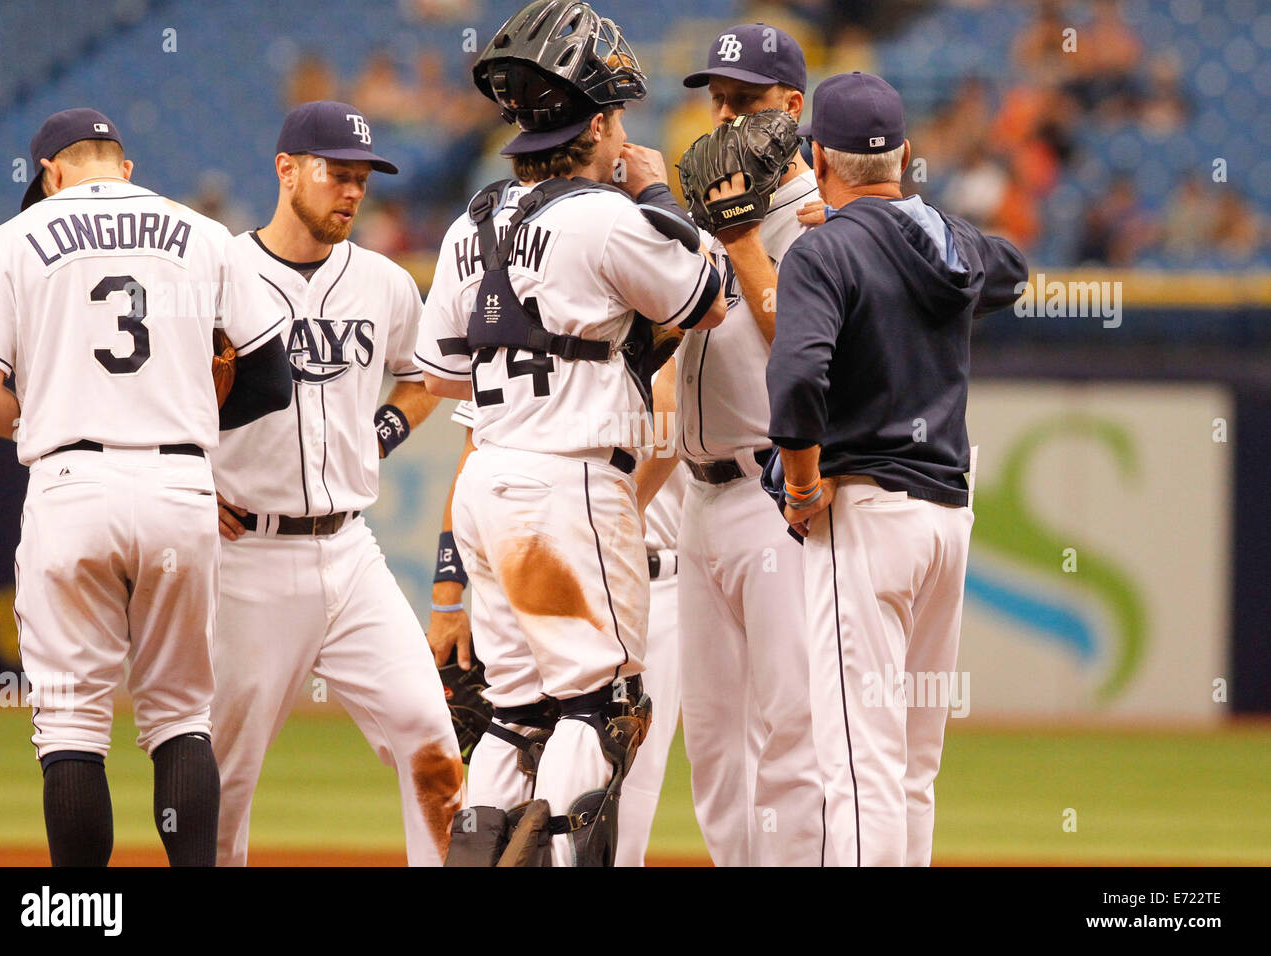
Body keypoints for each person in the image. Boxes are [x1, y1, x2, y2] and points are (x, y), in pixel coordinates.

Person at [415, 0, 725, 867]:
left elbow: (444, 371)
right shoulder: (602, 214)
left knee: (515, 716)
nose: (622, 129)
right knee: (604, 709)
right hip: (572, 478)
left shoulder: (470, 223)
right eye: (616, 113)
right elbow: (711, 296)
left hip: (490, 476)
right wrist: (658, 191)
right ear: (593, 123)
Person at [0, 108, 291, 866]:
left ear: (49, 174)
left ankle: (87, 916)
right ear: (125, 164)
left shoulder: (14, 239)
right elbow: (272, 378)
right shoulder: (204, 235)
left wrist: (48, 427)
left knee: (73, 723)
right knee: (180, 716)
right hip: (179, 485)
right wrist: (187, 425)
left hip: (70, 481)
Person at [766, 72, 1028, 866]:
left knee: (858, 764)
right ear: (905, 155)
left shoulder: (822, 250)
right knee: (913, 766)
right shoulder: (944, 241)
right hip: (947, 521)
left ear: (816, 156)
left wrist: (803, 484)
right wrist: (908, 223)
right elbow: (1012, 268)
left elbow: (797, 378)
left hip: (868, 518)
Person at [208, 100, 463, 867]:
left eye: (361, 179)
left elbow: (427, 379)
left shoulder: (384, 282)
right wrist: (189, 478)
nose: (351, 192)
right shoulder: (219, 272)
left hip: (351, 554)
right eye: (335, 175)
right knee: (220, 782)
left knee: (432, 740)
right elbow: (159, 393)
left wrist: (382, 431)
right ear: (286, 170)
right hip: (244, 559)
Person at [430, 361, 686, 867]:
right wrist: (446, 597)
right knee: (605, 731)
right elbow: (470, 450)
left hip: (550, 555)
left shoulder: (500, 306)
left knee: (512, 720)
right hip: (605, 571)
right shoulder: (636, 304)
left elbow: (470, 456)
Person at [675, 21, 826, 865]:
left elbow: (802, 357)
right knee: (712, 742)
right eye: (718, 100)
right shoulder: (713, 205)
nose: (726, 116)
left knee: (789, 728)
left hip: (774, 496)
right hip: (699, 499)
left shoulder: (817, 218)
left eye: (747, 100)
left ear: (792, 106)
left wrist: (735, 238)